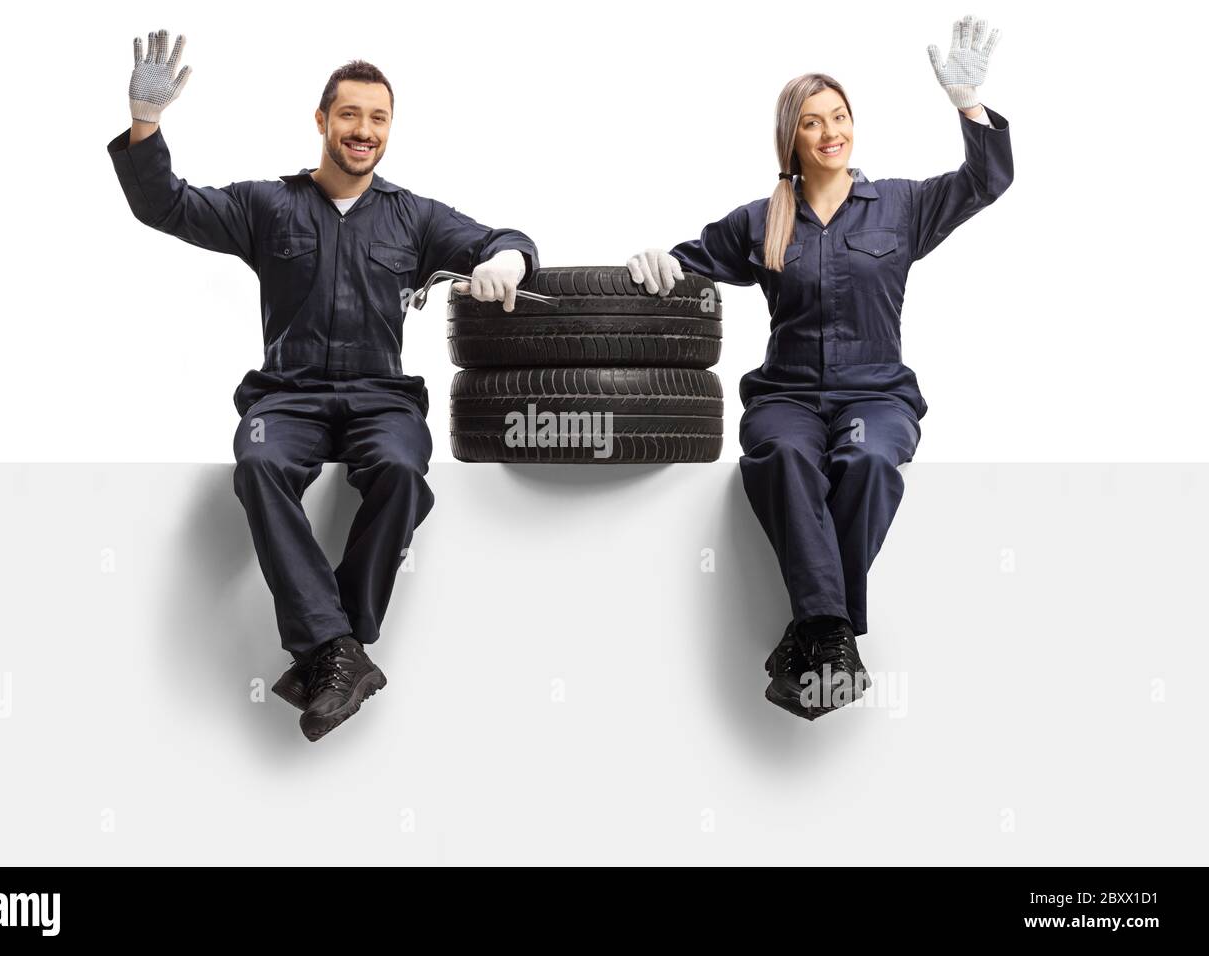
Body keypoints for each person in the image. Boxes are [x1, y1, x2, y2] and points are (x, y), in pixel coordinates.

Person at [108, 29, 540, 742]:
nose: (363, 131)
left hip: (382, 399)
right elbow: (168, 206)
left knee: (404, 470)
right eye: (349, 116)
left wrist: (508, 261)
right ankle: (342, 654)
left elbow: (506, 237)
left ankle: (332, 646)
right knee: (260, 464)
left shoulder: (415, 217)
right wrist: (145, 125)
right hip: (287, 395)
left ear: (389, 129)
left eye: (377, 119)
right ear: (321, 121)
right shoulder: (267, 205)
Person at [626, 14, 1013, 719]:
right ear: (791, 137)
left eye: (839, 116)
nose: (831, 131)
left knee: (867, 465)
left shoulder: (902, 205)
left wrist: (968, 103)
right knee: (782, 456)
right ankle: (831, 638)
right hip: (789, 398)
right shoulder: (760, 220)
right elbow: (686, 264)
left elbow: (987, 180)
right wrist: (655, 260)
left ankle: (814, 634)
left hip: (876, 398)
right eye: (812, 122)